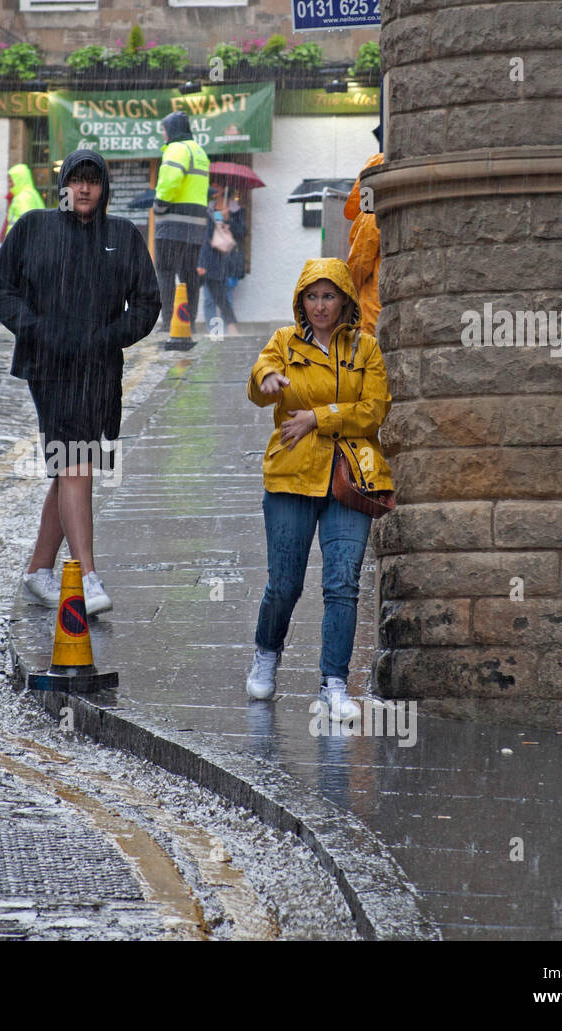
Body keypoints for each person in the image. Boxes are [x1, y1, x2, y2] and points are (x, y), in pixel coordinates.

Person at [0, 148, 160, 616]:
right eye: (76, 180)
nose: (83, 188)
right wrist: (39, 330)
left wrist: (108, 337)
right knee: (75, 461)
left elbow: (147, 303)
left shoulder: (121, 236)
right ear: (62, 185)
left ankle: (37, 571)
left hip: (101, 369)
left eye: (93, 180)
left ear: (103, 188)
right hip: (49, 368)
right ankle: (86, 574)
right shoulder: (34, 229)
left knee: (70, 470)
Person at [244, 258, 393, 717]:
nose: (321, 305)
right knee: (284, 585)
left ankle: (334, 683)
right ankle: (267, 654)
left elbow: (375, 409)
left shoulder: (365, 347)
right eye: (312, 296)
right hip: (291, 477)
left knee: (343, 584)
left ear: (345, 299)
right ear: (301, 301)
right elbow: (259, 379)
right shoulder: (284, 343)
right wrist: (266, 380)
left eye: (329, 296)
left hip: (351, 480)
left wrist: (317, 417)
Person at [152, 110, 209, 333]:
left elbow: (170, 181)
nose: (164, 135)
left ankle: (168, 323)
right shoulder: (199, 151)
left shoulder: (176, 149)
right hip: (195, 226)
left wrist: (159, 204)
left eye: (165, 130)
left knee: (165, 272)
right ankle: (188, 322)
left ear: (173, 130)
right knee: (189, 275)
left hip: (172, 223)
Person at [196, 181, 246, 337]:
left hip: (228, 259)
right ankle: (215, 333)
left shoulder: (236, 210)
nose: (214, 189)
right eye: (212, 185)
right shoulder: (207, 210)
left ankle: (229, 332)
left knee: (227, 297)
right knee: (209, 299)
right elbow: (204, 236)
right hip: (210, 259)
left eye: (218, 186)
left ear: (225, 189)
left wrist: (228, 219)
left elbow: (241, 232)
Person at [345, 152, 385, 338]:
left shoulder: (371, 214)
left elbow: (360, 261)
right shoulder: (389, 207)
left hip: (372, 305)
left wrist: (344, 290)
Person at [0, 163, 44, 242]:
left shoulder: (22, 197)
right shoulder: (32, 194)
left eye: (11, 181)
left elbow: (27, 224)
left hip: (19, 243)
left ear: (19, 180)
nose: (9, 184)